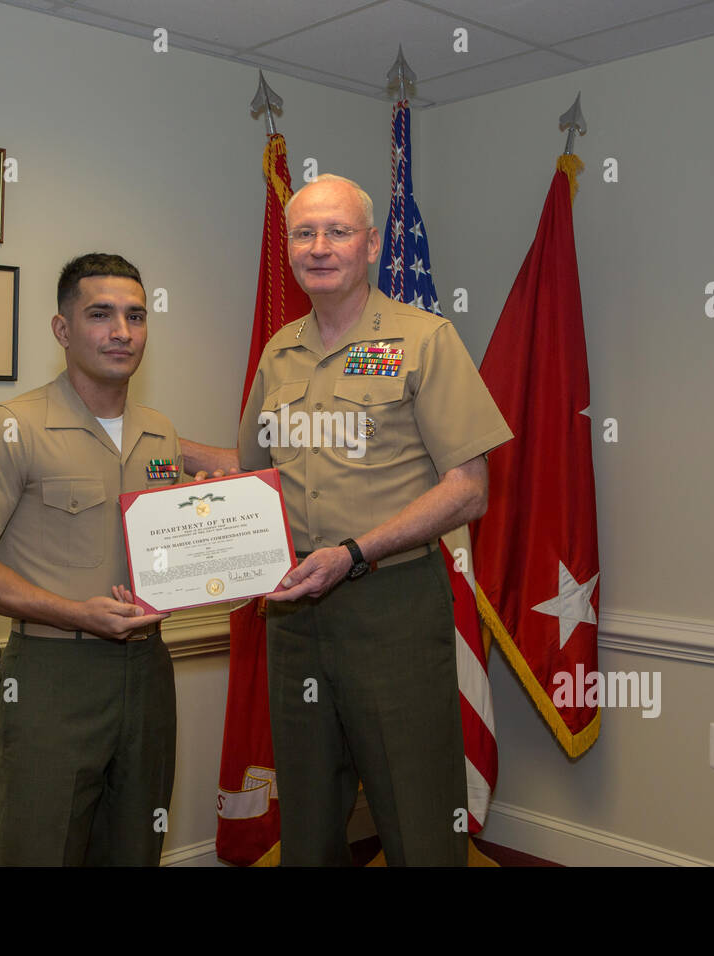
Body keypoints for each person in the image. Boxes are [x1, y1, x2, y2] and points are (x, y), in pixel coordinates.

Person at [182, 174, 512, 866]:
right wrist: (164, 453)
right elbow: (254, 477)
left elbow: (468, 488)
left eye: (336, 231)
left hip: (390, 605)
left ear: (369, 244)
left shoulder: (425, 340)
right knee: (306, 818)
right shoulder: (279, 354)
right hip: (296, 614)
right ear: (291, 250)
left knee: (419, 813)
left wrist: (355, 553)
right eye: (304, 233)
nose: (319, 246)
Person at [0, 252, 183, 866]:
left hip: (149, 674)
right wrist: (74, 612)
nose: (122, 331)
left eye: (136, 316)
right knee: (42, 850)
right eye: (101, 314)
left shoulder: (161, 433)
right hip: (51, 673)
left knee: (136, 851)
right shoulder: (5, 427)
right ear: (63, 330)